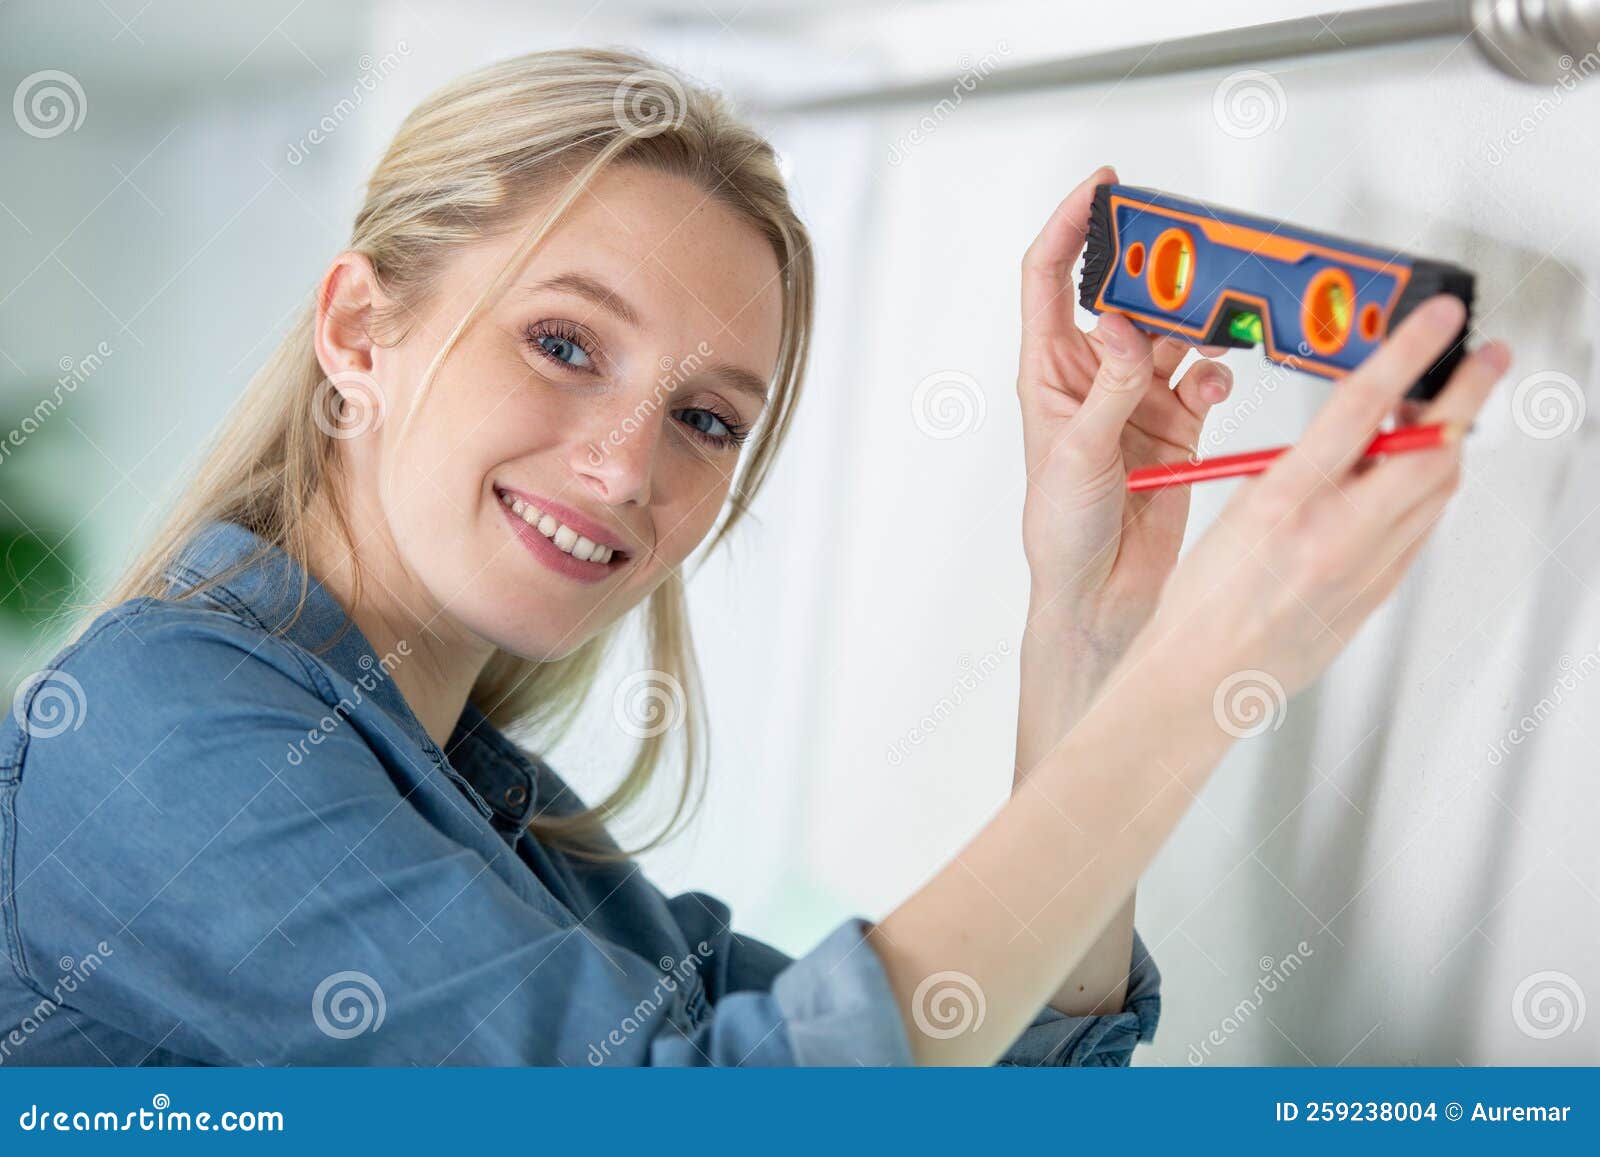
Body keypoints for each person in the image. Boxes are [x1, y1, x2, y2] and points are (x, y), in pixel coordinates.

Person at [0, 47, 1508, 1066]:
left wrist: (1090, 640)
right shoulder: (158, 724)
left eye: (708, 417)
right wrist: (1203, 688)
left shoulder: (516, 840)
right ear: (357, 330)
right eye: (564, 340)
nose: (626, 462)